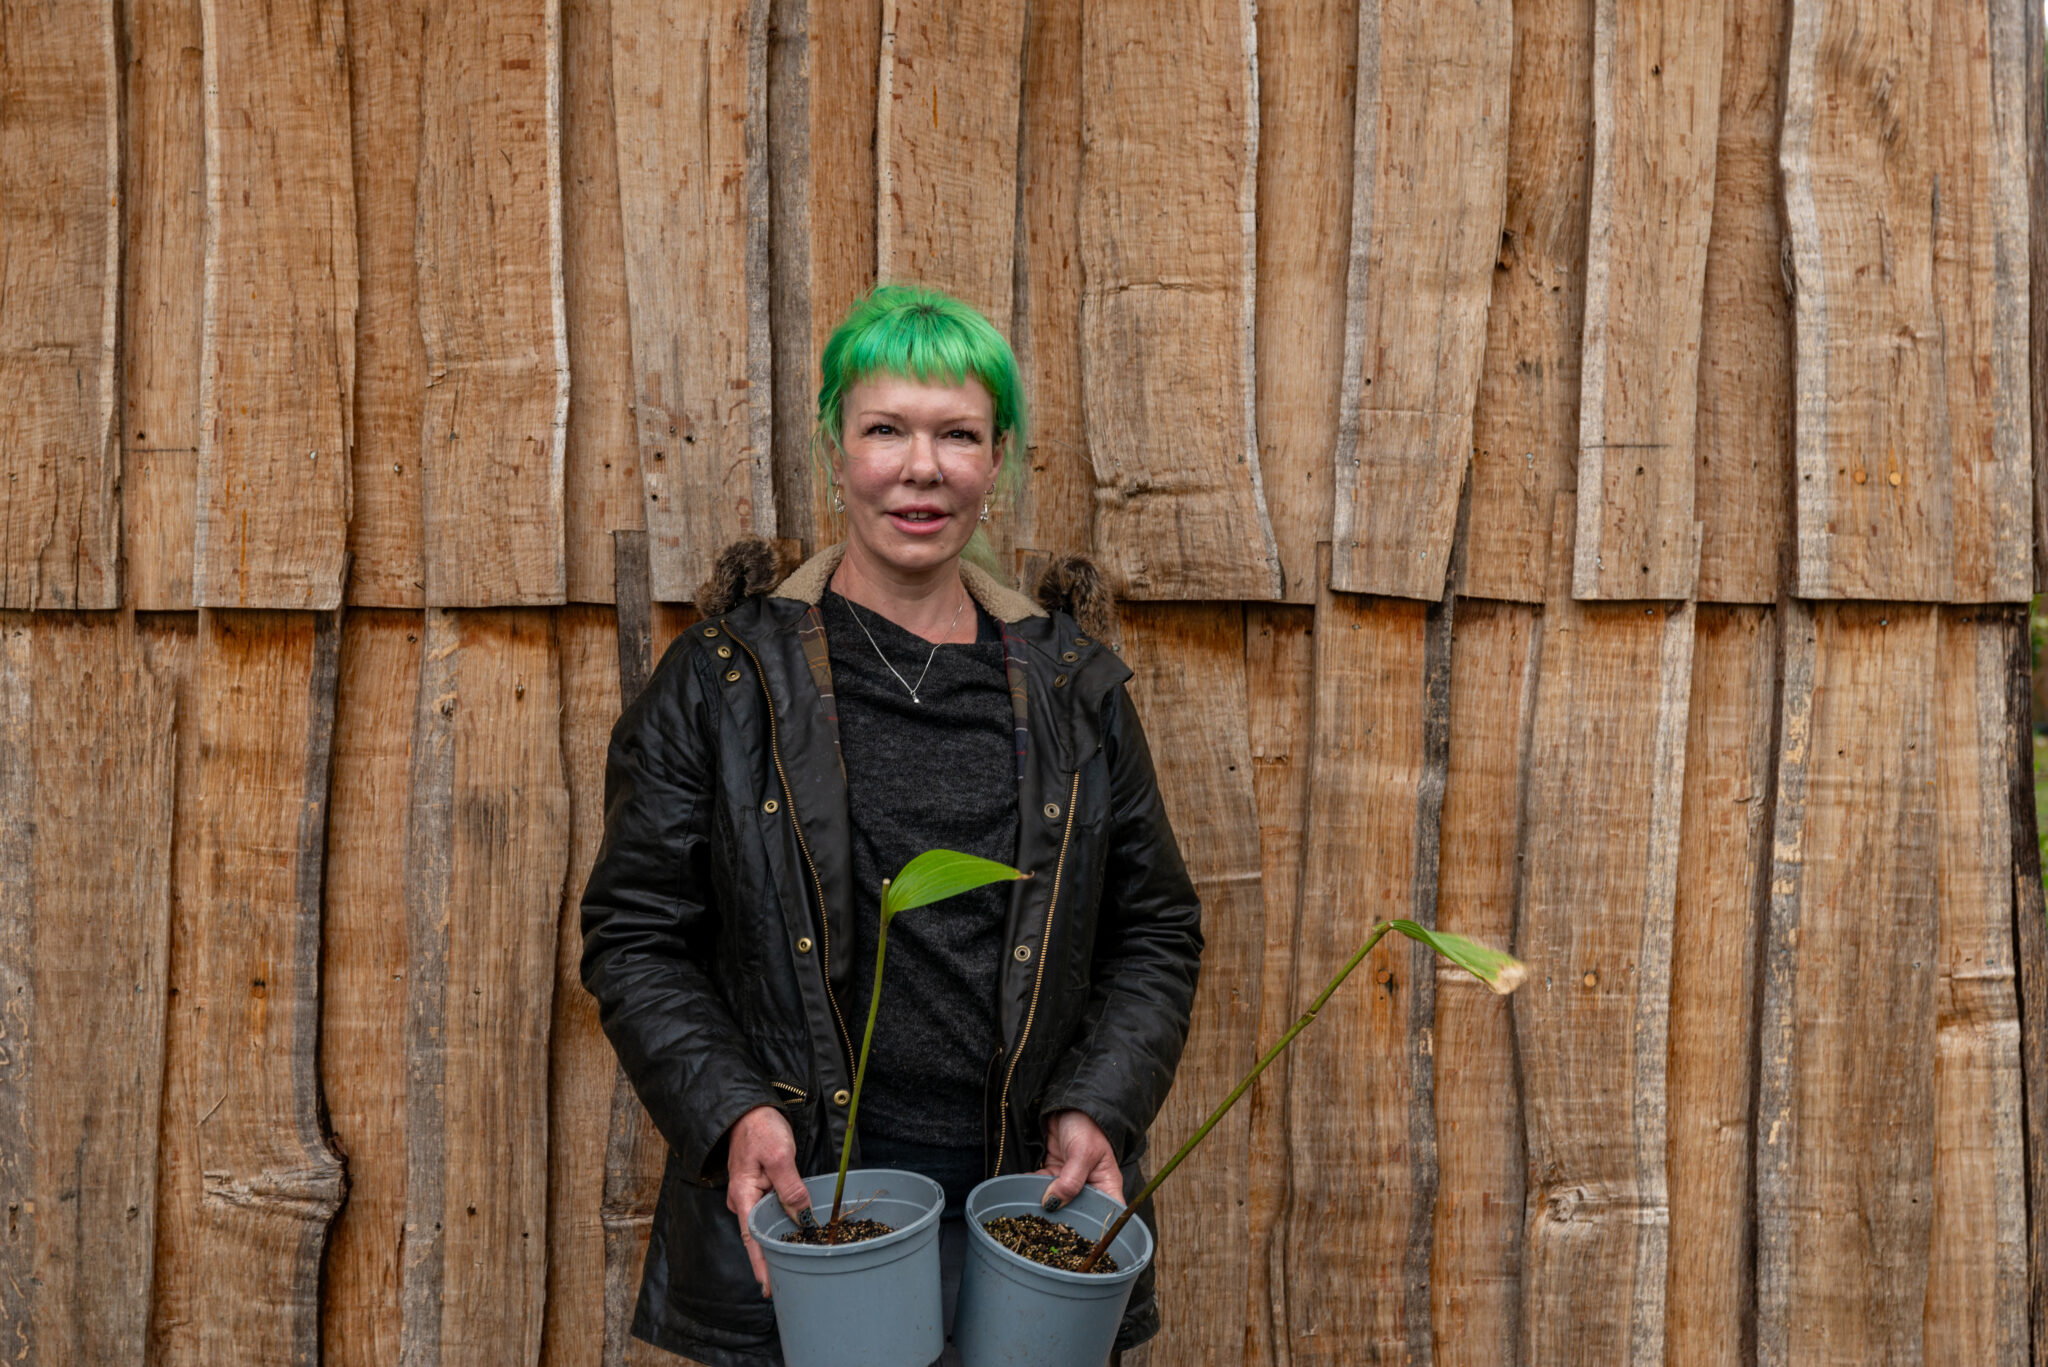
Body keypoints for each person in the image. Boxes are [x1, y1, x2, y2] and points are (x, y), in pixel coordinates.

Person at [580, 283, 1203, 1366]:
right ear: (835, 447)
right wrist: (733, 1111)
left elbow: (1154, 929)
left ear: (996, 456)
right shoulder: (725, 680)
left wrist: (1100, 1104)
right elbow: (635, 933)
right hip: (814, 1204)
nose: (922, 467)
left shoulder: (1072, 687)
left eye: (957, 433)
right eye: (886, 429)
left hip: (1025, 1207)